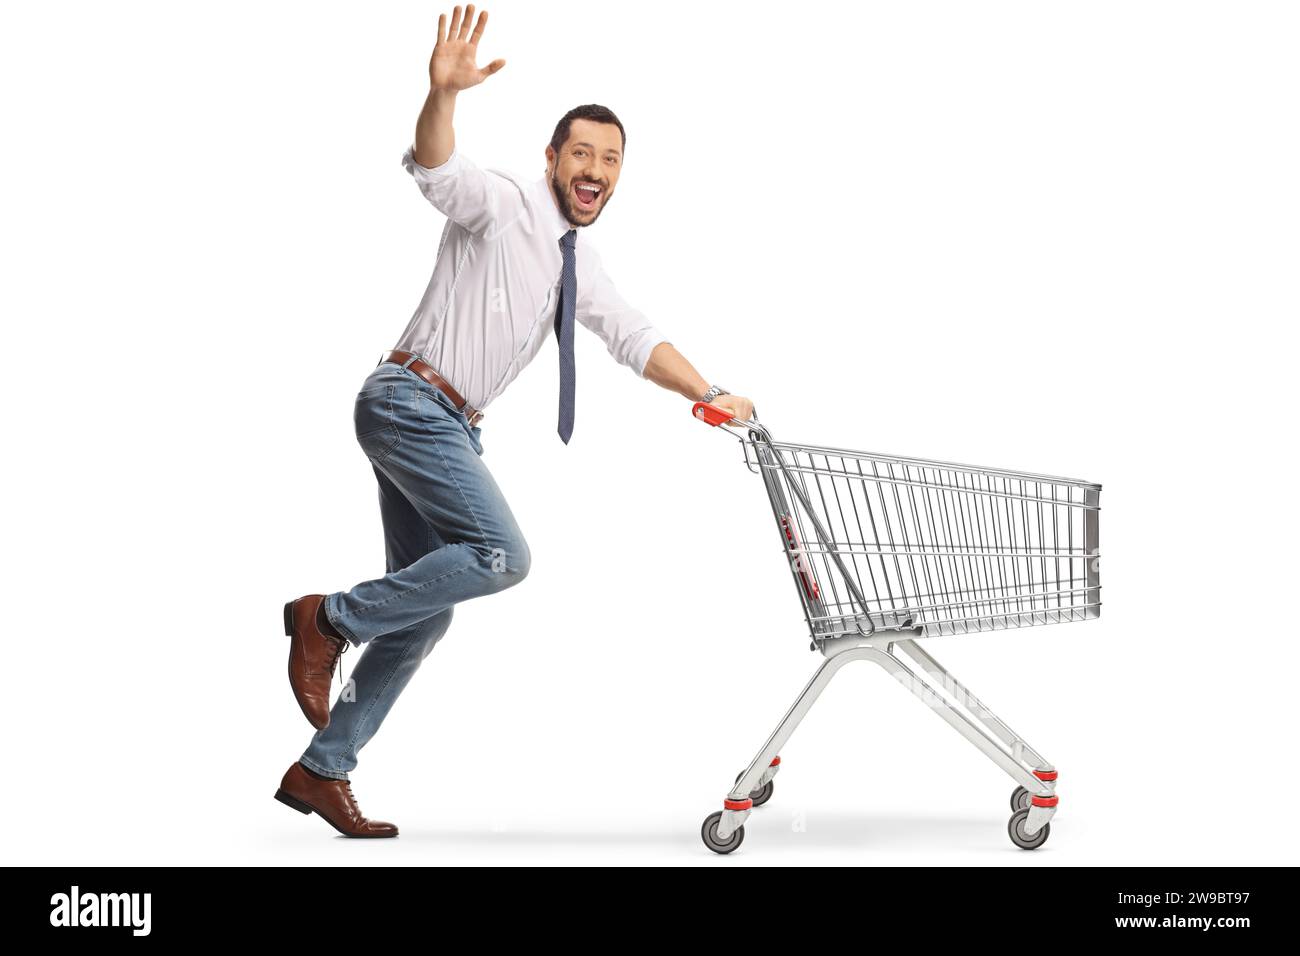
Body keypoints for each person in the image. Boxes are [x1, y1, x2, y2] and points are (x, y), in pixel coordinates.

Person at [274, 4, 755, 838]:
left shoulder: (581, 262)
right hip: (408, 402)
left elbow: (634, 336)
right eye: (581, 153)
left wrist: (706, 390)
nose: (595, 168)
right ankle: (328, 618)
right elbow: (437, 167)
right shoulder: (503, 204)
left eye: (611, 159)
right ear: (552, 159)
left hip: (448, 426)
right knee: (502, 556)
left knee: (429, 607)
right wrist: (442, 95)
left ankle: (323, 769)